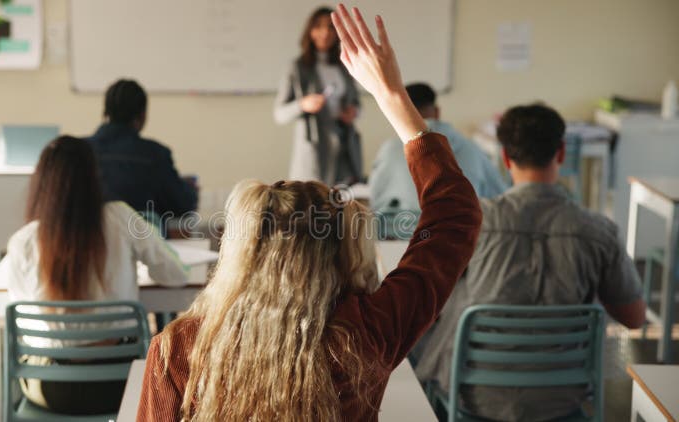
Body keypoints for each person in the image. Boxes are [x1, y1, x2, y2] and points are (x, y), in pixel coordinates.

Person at [137, 6, 482, 420]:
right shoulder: (370, 330)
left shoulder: (176, 348)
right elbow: (455, 216)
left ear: (244, 246)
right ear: (341, 246)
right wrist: (393, 98)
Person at [413, 104, 646, 421]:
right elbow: (634, 317)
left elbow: (429, 297)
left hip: (474, 396)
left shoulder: (473, 222)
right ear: (561, 153)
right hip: (562, 400)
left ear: (505, 158)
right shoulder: (599, 232)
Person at [2, 136, 189, 415]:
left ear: (40, 183)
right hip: (120, 384)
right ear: (93, 176)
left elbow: (23, 317)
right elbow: (176, 275)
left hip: (49, 388)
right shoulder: (121, 218)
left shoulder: (23, 242)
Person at [370, 82, 507, 238]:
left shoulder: (391, 150)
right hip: (462, 240)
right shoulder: (471, 148)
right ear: (437, 112)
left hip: (407, 239)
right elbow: (500, 195)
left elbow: (376, 201)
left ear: (398, 114)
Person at [274, 6, 363, 185]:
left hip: (345, 147)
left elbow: (357, 105)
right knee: (312, 198)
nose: (325, 32)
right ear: (310, 31)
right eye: (319, 26)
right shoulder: (297, 67)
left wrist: (354, 112)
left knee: (344, 197)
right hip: (314, 149)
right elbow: (279, 114)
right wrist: (303, 104)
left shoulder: (344, 66)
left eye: (331, 27)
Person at [86, 79, 198, 219]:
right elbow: (182, 205)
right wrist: (190, 190)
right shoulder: (156, 155)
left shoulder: (79, 152)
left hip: (91, 233)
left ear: (105, 111)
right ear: (142, 115)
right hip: (140, 233)